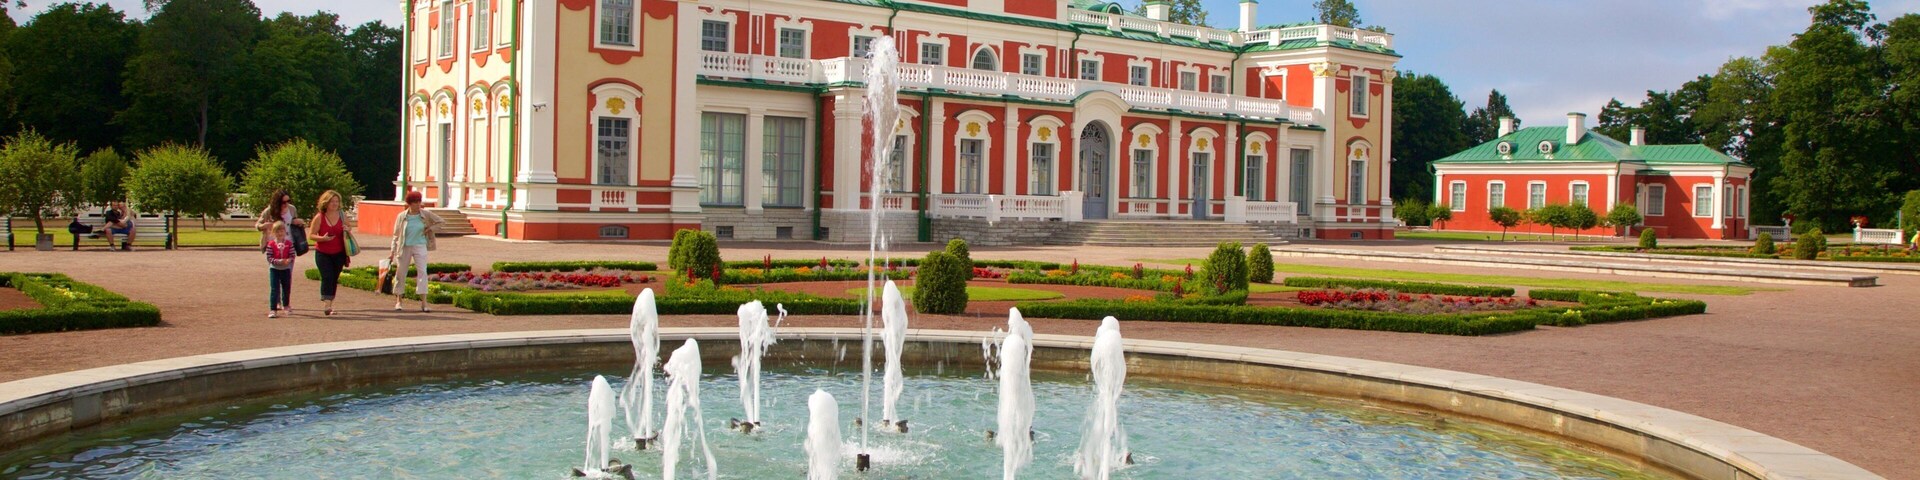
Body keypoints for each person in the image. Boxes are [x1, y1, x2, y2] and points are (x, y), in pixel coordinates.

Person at [388, 191, 445, 312]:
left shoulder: (425, 214)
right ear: (409, 204)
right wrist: (392, 251)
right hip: (404, 246)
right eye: (415, 202)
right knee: (401, 272)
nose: (418, 204)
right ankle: (399, 300)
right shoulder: (402, 216)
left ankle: (424, 303)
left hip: (420, 245)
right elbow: (396, 235)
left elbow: (441, 222)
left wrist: (430, 228)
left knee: (422, 272)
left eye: (419, 201)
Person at [309, 190, 353, 316]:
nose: (335, 204)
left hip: (339, 252)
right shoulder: (320, 217)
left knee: (334, 277)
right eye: (332, 201)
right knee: (327, 276)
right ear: (326, 202)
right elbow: (311, 235)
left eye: (336, 201)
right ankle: (327, 305)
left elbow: (349, 227)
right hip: (323, 252)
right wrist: (322, 238)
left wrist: (347, 229)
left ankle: (330, 302)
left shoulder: (342, 215)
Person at [264, 221, 296, 318]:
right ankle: (273, 309)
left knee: (286, 288)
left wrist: (288, 260)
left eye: (282, 231)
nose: (280, 233)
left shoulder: (289, 244)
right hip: (275, 269)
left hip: (286, 269)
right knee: (275, 289)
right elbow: (269, 258)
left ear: (285, 232)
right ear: (274, 232)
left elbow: (292, 255)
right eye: (277, 231)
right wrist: (279, 261)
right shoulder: (271, 244)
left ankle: (286, 305)